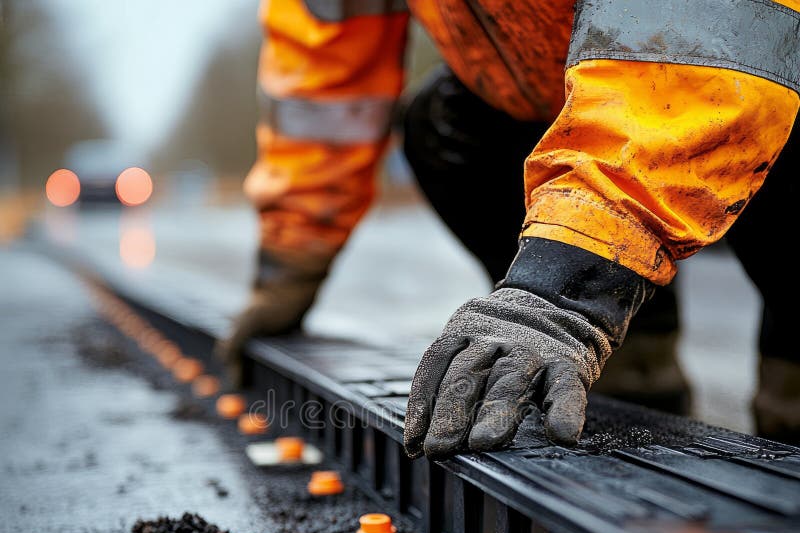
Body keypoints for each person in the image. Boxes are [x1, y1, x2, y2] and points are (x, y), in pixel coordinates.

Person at [219, 0, 800, 458]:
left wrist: (562, 290)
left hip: (763, 80)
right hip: (577, 104)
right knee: (446, 127)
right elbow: (326, 82)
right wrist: (290, 260)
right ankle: (627, 388)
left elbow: (700, 38)